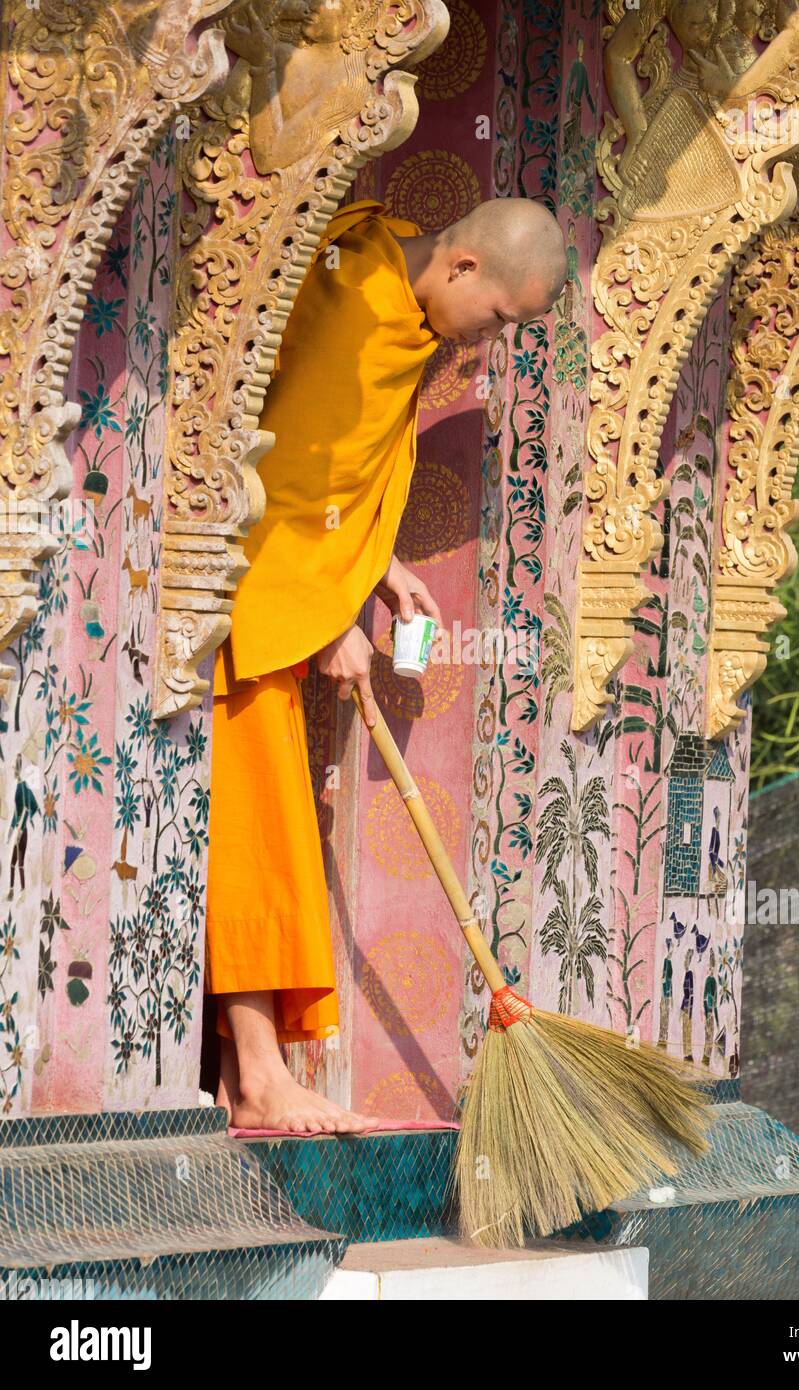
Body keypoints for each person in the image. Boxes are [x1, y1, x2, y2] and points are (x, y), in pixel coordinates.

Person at [205, 196, 568, 1135]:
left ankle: (248, 1072)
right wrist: (328, 613)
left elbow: (336, 489)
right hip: (245, 611)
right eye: (497, 320)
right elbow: (282, 483)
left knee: (273, 833)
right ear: (459, 270)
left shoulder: (396, 307)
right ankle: (255, 1078)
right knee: (261, 837)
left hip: (288, 599)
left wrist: (378, 568)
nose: (489, 343)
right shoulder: (354, 308)